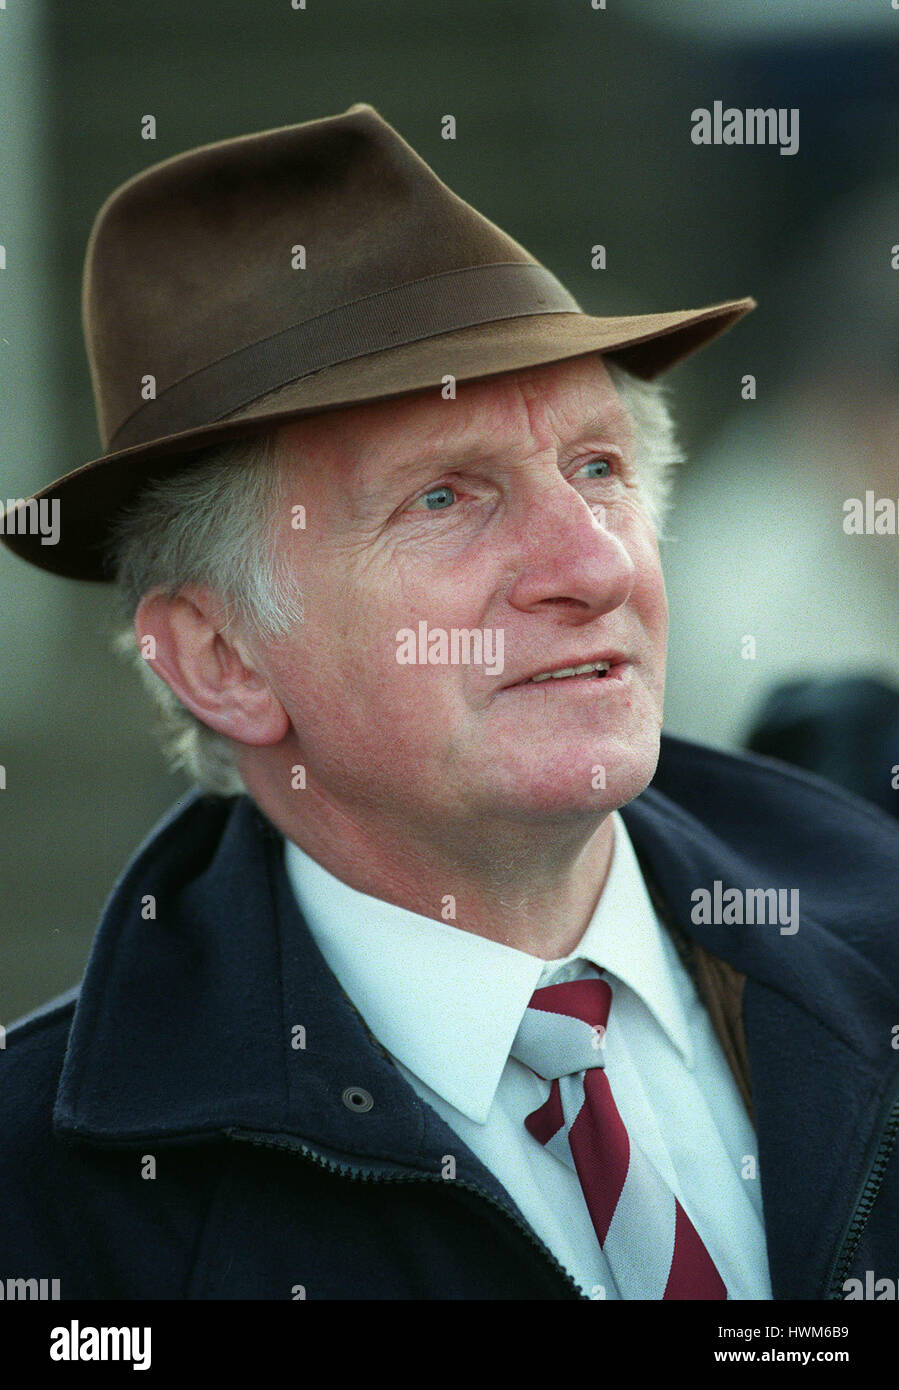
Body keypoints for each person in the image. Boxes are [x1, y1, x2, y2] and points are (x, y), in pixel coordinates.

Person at [1, 104, 897, 1302]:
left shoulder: (869, 939)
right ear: (222, 659)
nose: (591, 565)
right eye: (443, 498)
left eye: (598, 468)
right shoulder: (50, 1200)